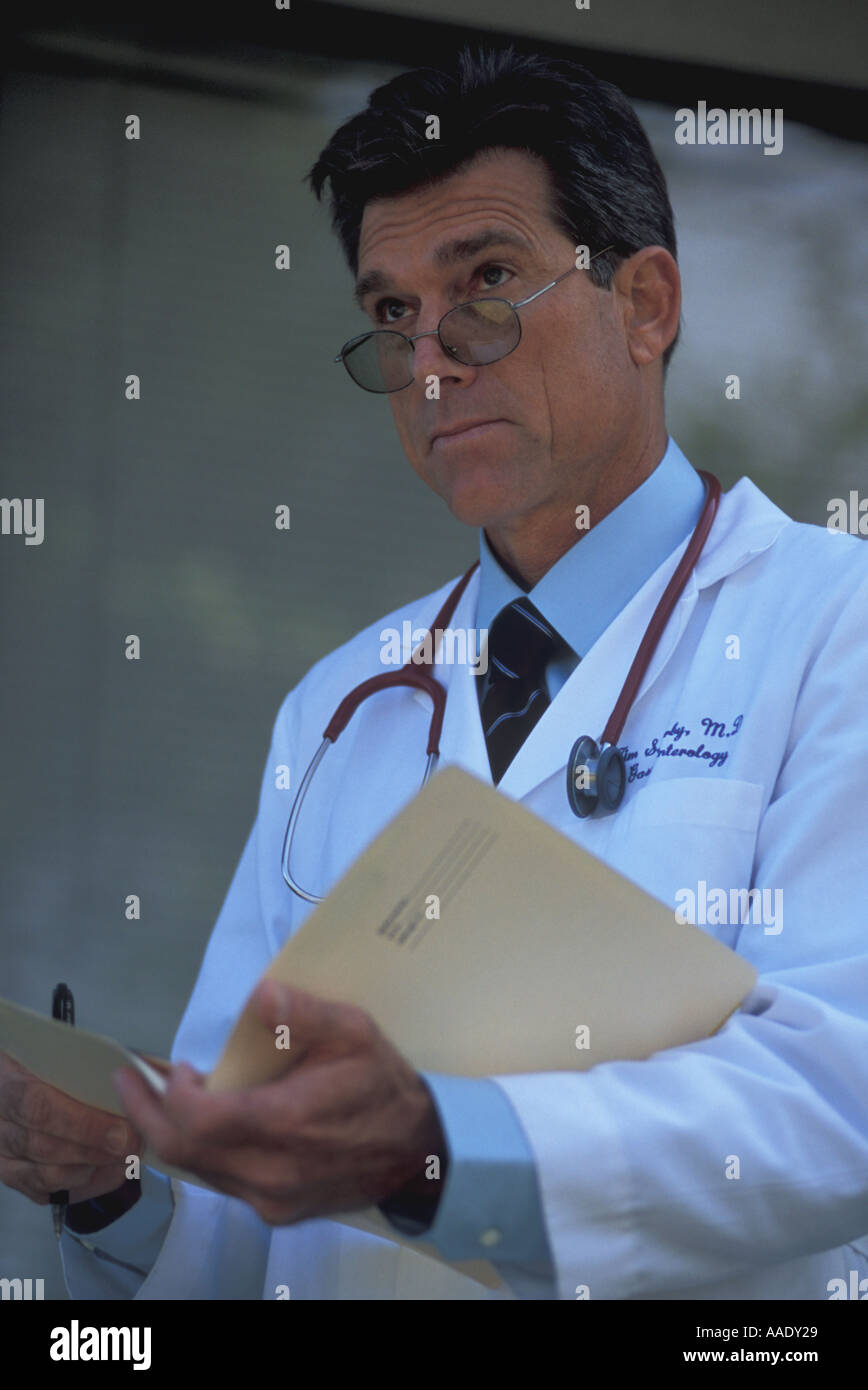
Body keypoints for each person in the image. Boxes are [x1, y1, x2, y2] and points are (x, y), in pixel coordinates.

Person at [2, 44, 868, 1302]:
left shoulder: (831, 624)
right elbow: (252, 1212)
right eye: (390, 314)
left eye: (488, 285)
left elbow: (837, 1096)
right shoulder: (339, 706)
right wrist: (117, 1185)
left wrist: (433, 1154)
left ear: (647, 304)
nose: (429, 364)